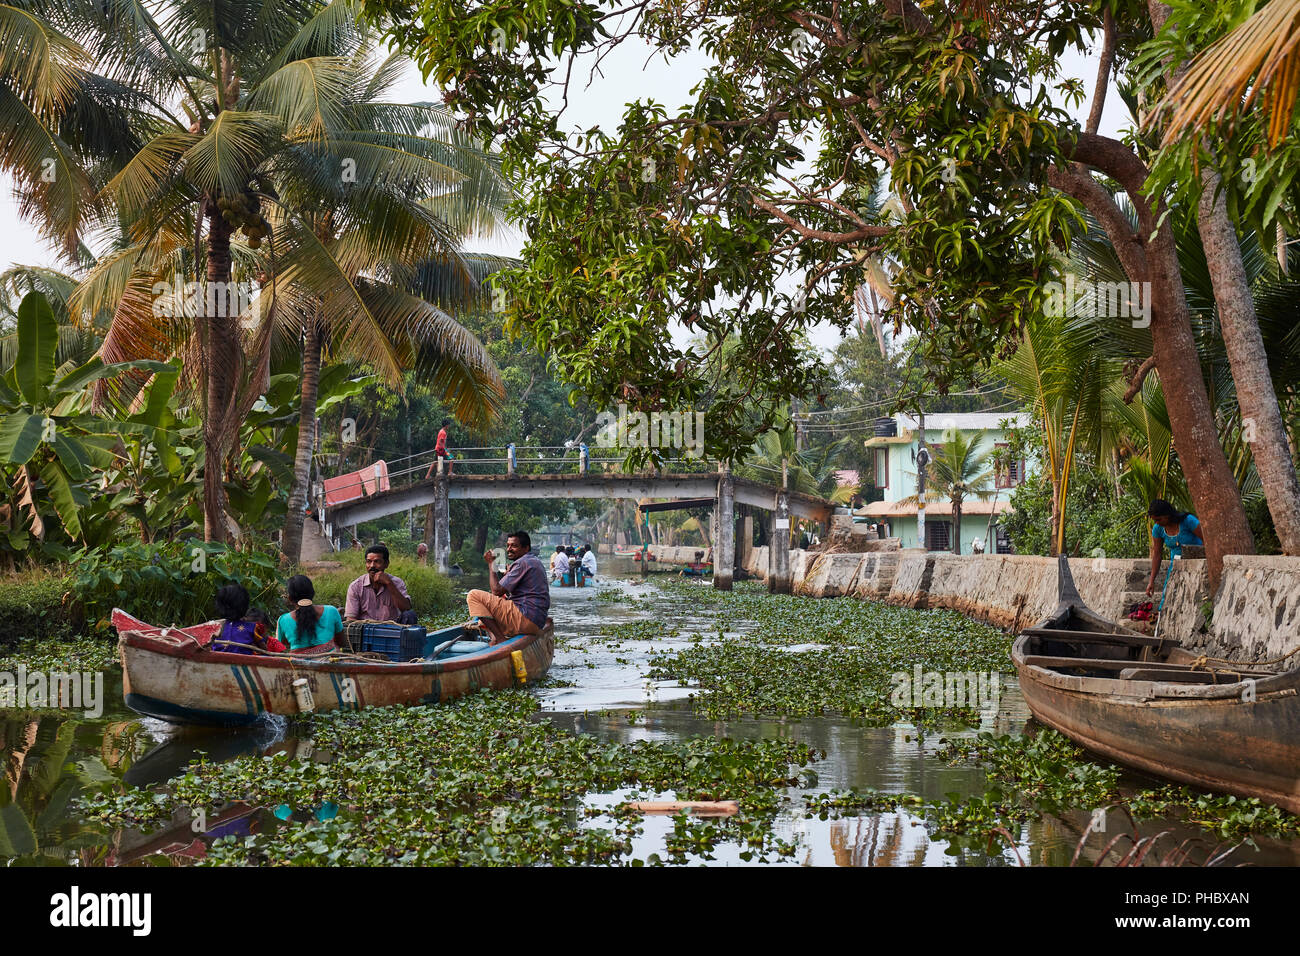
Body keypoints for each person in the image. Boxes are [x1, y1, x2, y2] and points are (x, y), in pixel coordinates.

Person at [466, 531, 550, 645]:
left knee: (473, 595)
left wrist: (491, 564)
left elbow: (496, 590)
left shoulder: (522, 563)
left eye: (514, 546)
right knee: (484, 610)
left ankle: (500, 639)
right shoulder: (534, 561)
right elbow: (503, 592)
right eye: (508, 545)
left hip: (525, 618)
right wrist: (507, 576)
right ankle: (495, 638)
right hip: (536, 621)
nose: (509, 549)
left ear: (526, 548)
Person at [344, 544, 416, 625]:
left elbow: (406, 608)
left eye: (377, 561)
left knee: (410, 615)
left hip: (392, 630)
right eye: (369, 561)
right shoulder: (356, 586)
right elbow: (351, 619)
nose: (372, 566)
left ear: (386, 564)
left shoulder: (397, 582)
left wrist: (389, 583)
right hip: (365, 631)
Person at [1145, 498, 1204, 596]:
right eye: (1154, 520)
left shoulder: (1188, 521)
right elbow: (1157, 555)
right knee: (1170, 595)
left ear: (1167, 515)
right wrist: (1151, 581)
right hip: (1176, 566)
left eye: (1159, 519)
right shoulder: (1158, 529)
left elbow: (1206, 540)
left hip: (1196, 564)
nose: (1157, 523)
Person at [276, 575, 344, 654]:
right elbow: (341, 642)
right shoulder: (331, 611)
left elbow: (282, 645)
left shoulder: (283, 620)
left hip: (297, 664)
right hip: (330, 662)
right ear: (313, 593)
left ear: (290, 599)